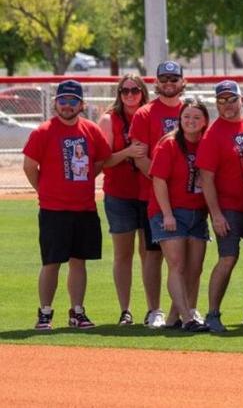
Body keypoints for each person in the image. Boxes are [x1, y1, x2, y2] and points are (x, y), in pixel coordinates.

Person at [24, 80, 112, 330]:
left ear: (81, 104)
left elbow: (101, 161)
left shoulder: (91, 130)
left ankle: (77, 311)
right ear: (55, 103)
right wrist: (44, 190)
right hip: (54, 210)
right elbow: (30, 167)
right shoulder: (43, 131)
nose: (67, 105)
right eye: (62, 101)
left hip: (84, 208)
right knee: (51, 262)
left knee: (79, 261)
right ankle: (44, 312)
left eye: (73, 101)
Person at [196, 80, 243, 332]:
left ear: (242, 100)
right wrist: (215, 214)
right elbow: (206, 178)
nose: (227, 105)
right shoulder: (213, 134)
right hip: (229, 207)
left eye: (231, 99)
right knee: (228, 257)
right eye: (222, 100)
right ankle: (213, 313)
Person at [128, 60, 185, 328]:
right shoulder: (145, 114)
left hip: (188, 197)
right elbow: (140, 157)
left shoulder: (191, 111)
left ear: (182, 82)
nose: (169, 84)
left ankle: (183, 310)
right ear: (156, 82)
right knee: (153, 253)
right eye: (164, 79)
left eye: (174, 79)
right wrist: (164, 183)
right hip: (151, 195)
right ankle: (154, 310)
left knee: (185, 256)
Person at [147, 98, 210, 332]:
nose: (190, 121)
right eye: (186, 117)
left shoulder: (206, 143)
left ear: (204, 121)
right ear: (180, 120)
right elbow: (159, 180)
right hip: (171, 212)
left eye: (196, 117)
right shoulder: (169, 144)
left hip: (197, 212)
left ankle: (174, 317)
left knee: (195, 268)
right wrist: (167, 214)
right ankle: (187, 317)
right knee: (177, 265)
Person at [98, 74, 150, 325]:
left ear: (142, 92)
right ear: (118, 94)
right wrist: (127, 152)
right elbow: (102, 161)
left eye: (135, 90)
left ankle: (154, 309)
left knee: (148, 253)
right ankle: (125, 310)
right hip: (119, 193)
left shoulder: (149, 115)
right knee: (123, 253)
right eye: (124, 91)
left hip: (148, 193)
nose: (130, 95)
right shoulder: (109, 120)